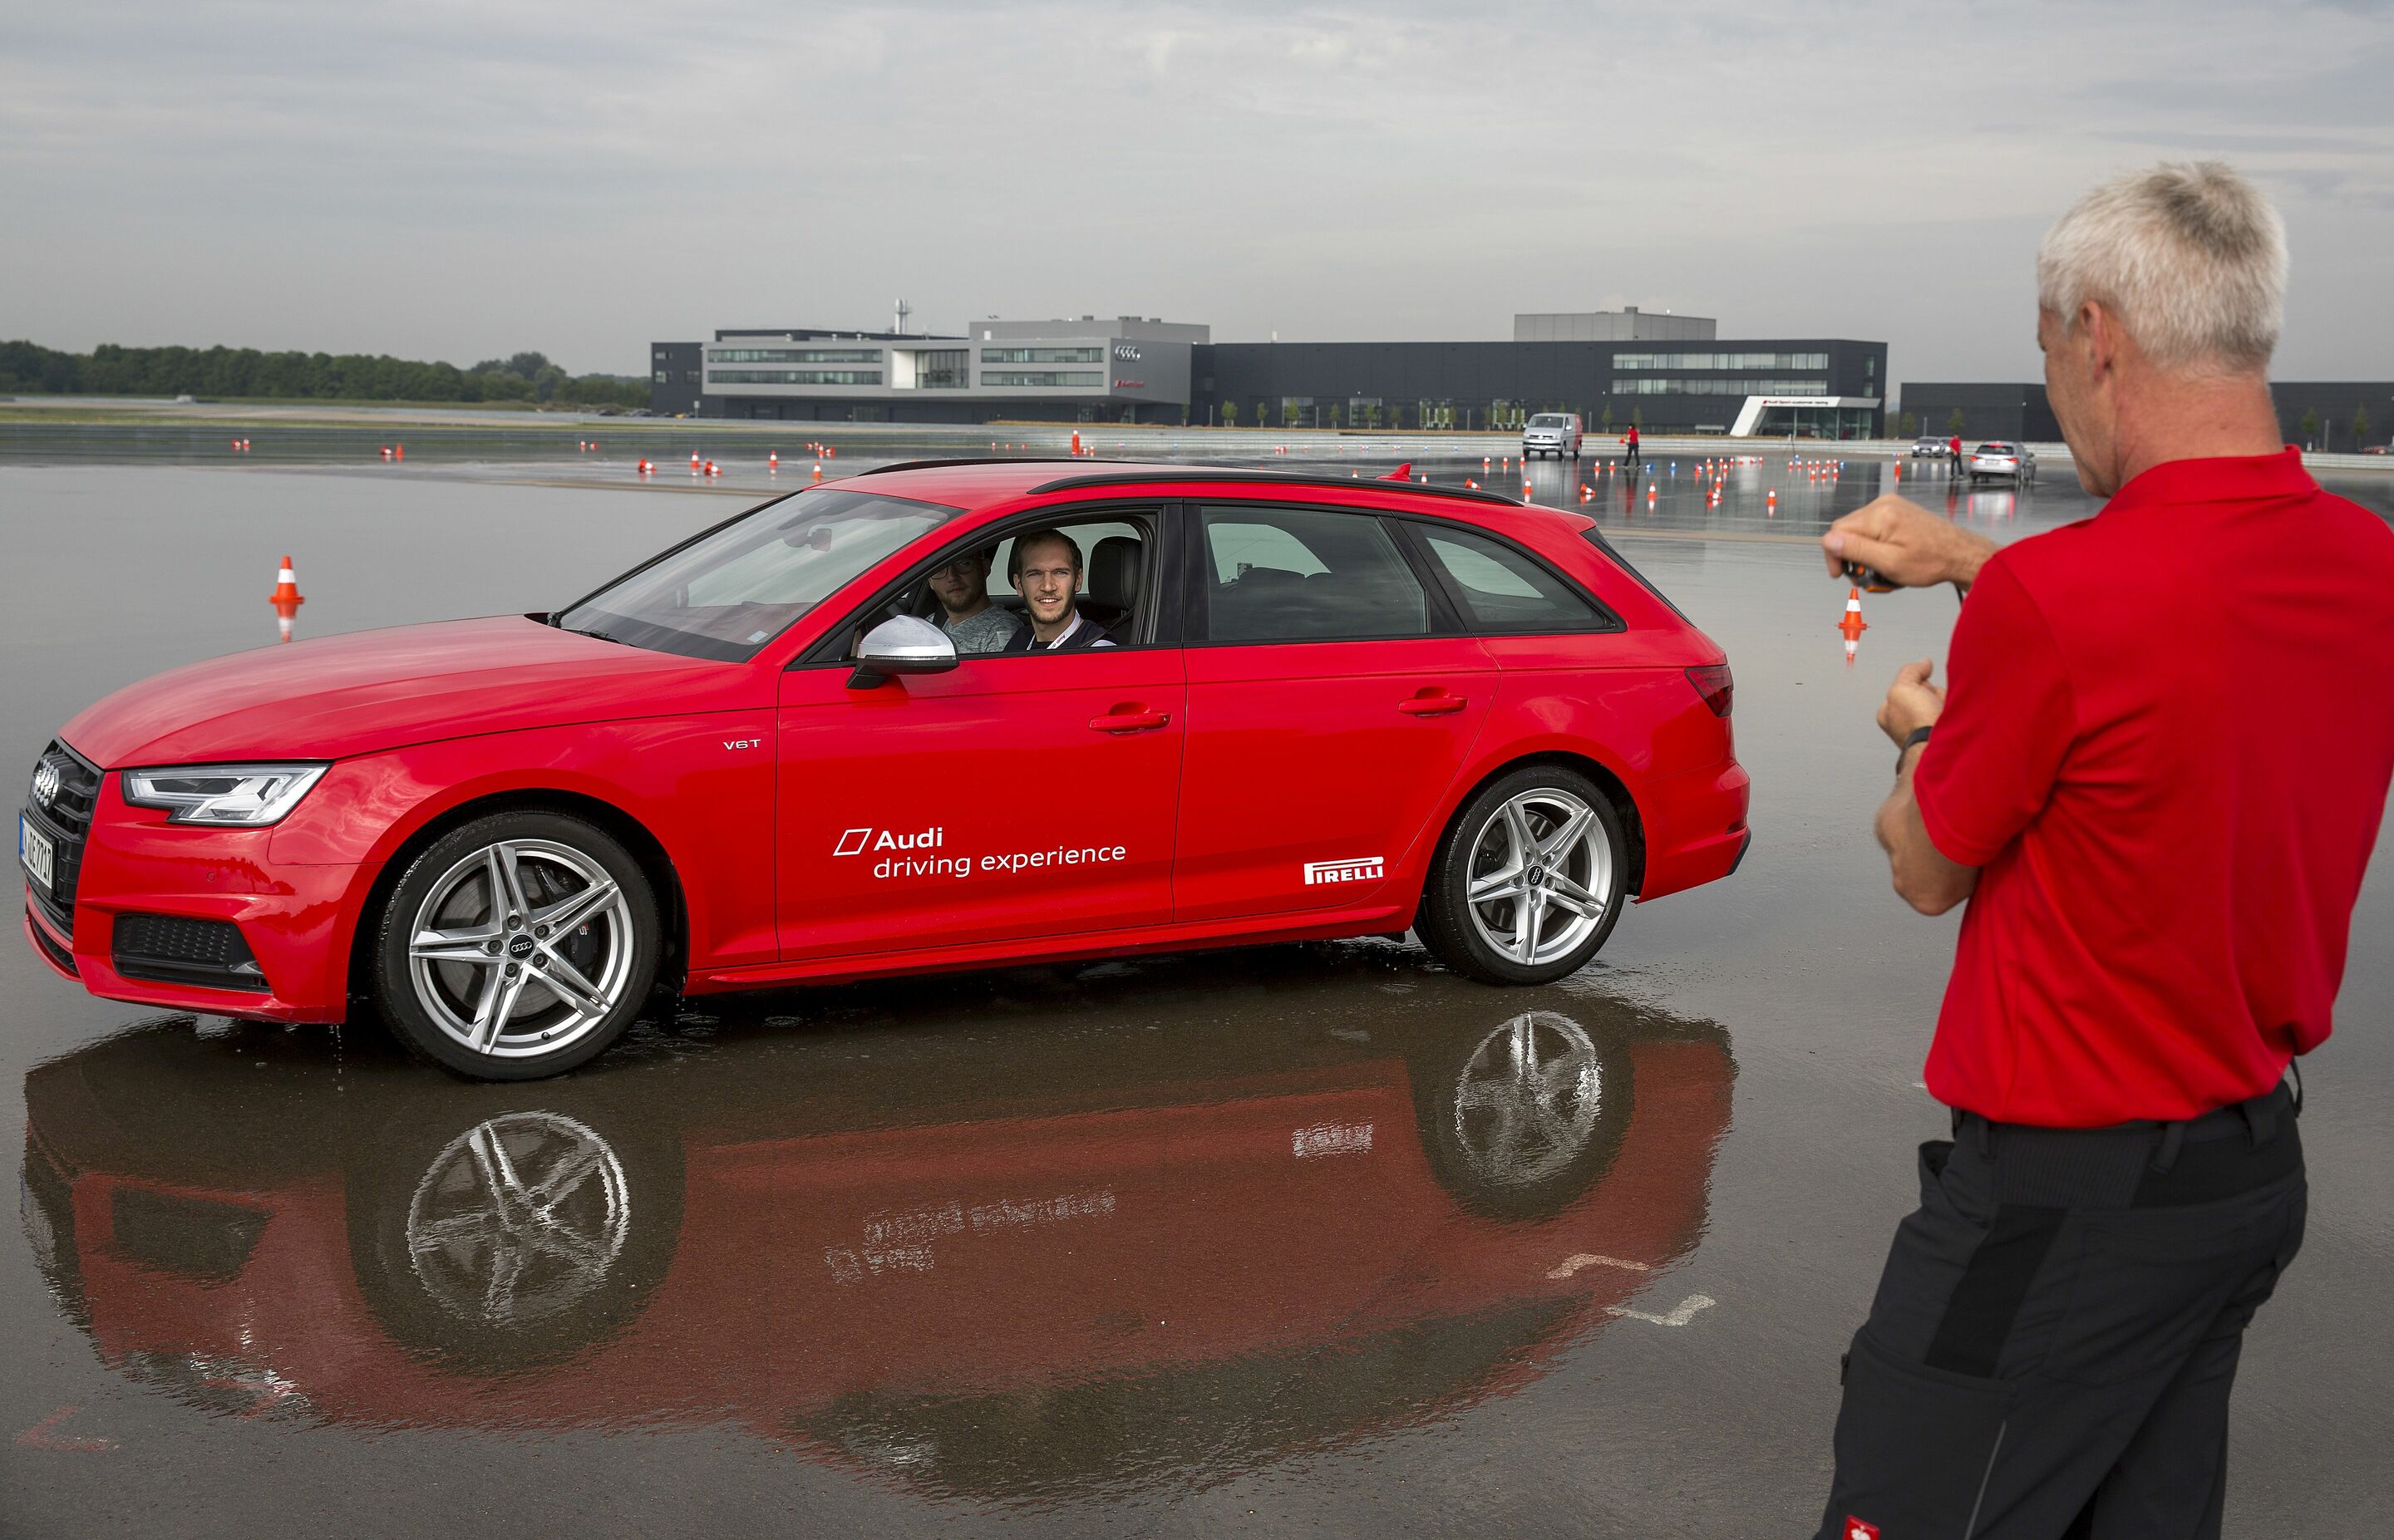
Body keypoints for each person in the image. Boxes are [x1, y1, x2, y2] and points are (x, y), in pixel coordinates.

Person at [1813, 161, 2394, 1538]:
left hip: (2058, 1201)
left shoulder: (2056, 606)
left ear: (2100, 336)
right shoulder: (2367, 568)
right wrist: (1967, 559)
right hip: (2241, 1178)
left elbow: (1925, 866)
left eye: (2048, 356)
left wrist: (1913, 741)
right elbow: (2193, 610)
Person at [1002, 529, 1115, 652]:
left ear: (1078, 581)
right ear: (1019, 585)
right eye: (1035, 574)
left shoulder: (1099, 650)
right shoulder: (1019, 642)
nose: (1047, 587)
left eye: (1060, 573)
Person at [924, 549, 1025, 654]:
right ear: (930, 581)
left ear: (984, 567)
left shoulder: (1001, 630)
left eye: (963, 563)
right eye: (939, 569)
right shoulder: (930, 624)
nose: (952, 577)